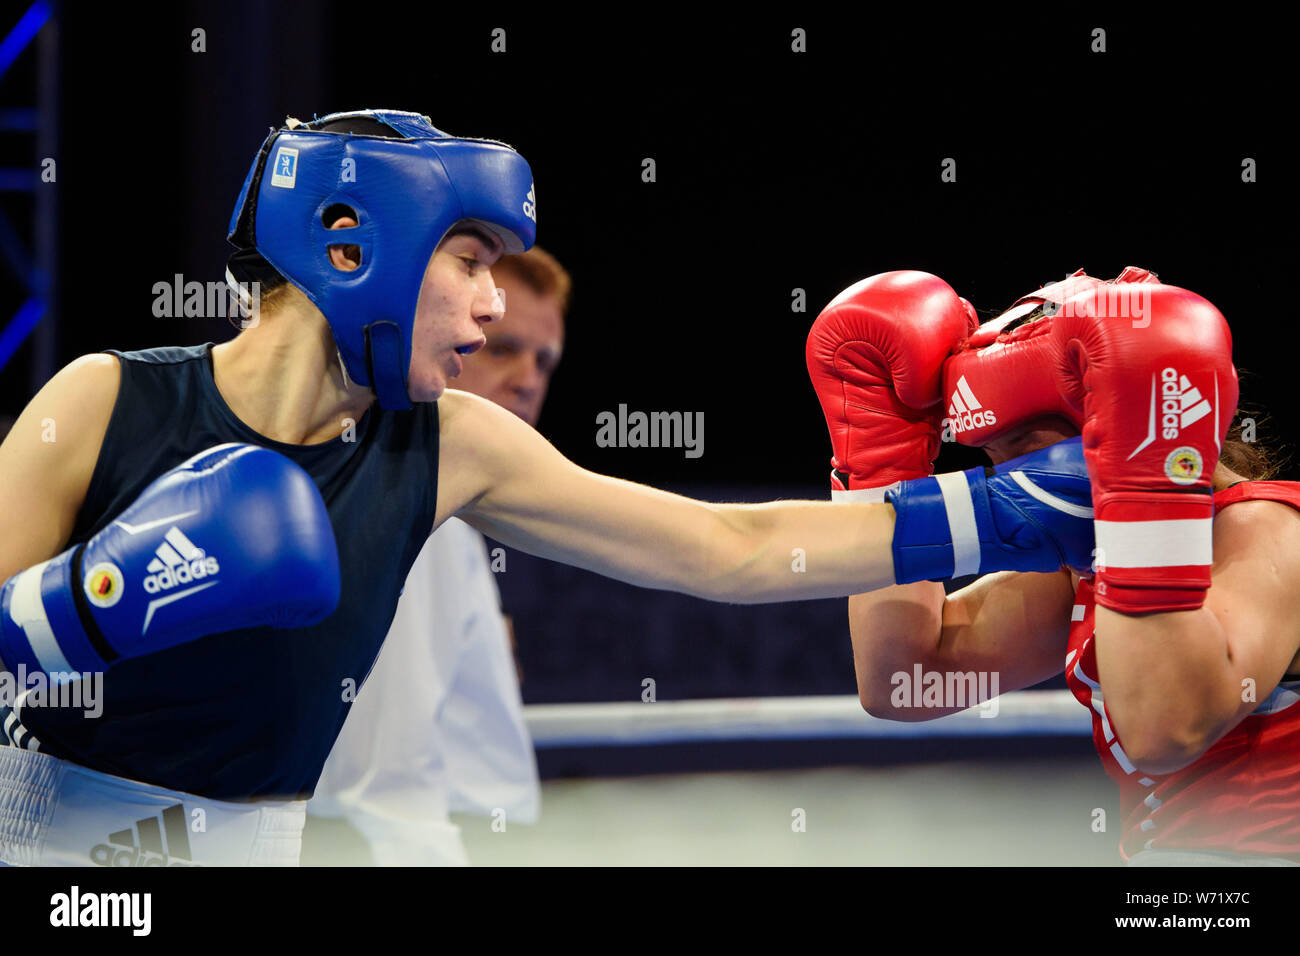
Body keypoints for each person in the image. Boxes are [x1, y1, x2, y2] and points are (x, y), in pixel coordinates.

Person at [0, 110, 1086, 866]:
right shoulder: (100, 402)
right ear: (348, 241)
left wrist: (1000, 514)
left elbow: (729, 548)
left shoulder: (449, 444)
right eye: (468, 258)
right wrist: (77, 611)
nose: (487, 309)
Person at [810, 266, 1300, 865]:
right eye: (994, 456)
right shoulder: (1086, 563)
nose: (1010, 479)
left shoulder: (1270, 527)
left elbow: (1165, 730)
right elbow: (905, 679)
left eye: (1025, 447)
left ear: (1113, 421)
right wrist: (880, 468)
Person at [305, 246, 569, 865]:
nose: (529, 379)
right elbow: (388, 793)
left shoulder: (452, 514)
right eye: (502, 348)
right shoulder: (416, 505)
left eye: (546, 360)